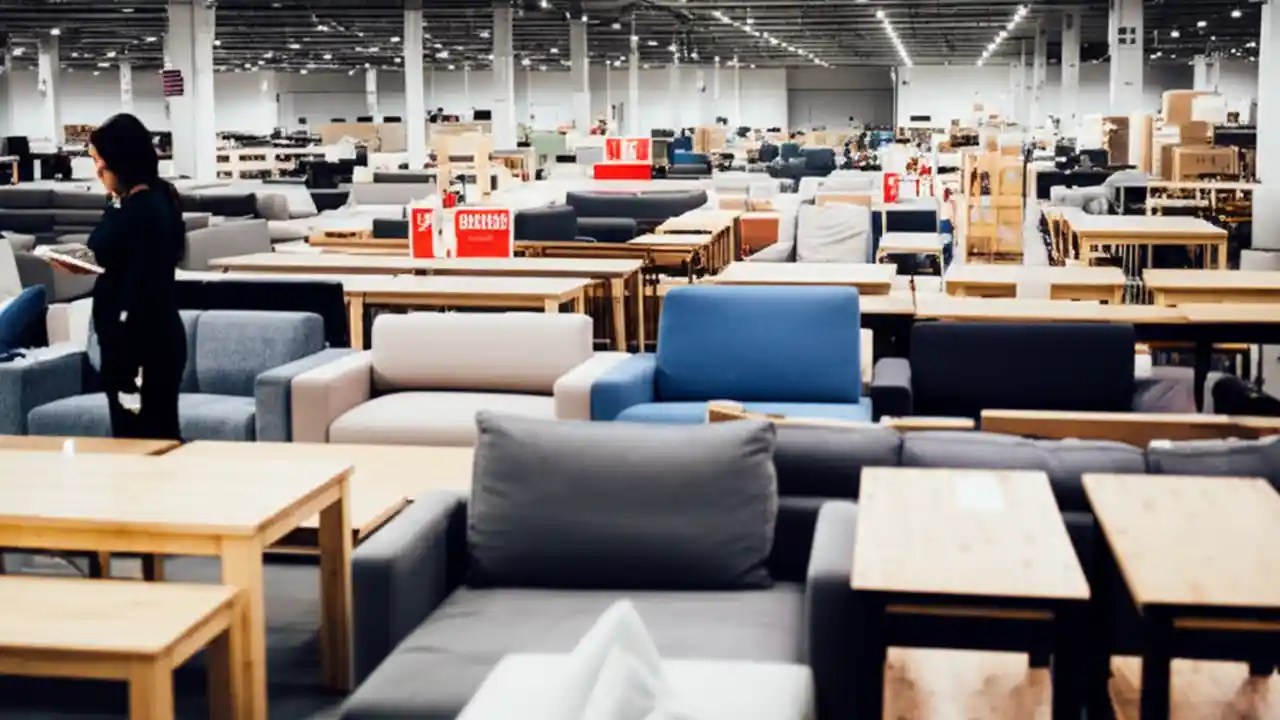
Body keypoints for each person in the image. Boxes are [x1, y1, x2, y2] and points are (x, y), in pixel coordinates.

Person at [81, 113, 187, 440]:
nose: (97, 170)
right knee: (154, 436)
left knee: (139, 440)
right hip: (148, 341)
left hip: (137, 346)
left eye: (101, 161)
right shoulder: (155, 199)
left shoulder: (142, 210)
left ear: (120, 161)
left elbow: (105, 247)